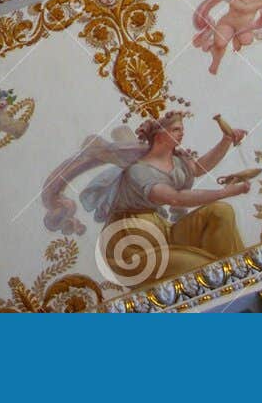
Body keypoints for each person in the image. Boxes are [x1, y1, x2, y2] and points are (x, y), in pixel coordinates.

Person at [98, 110, 251, 282]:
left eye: (182, 130)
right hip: (133, 243)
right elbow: (174, 198)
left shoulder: (176, 162)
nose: (182, 133)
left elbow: (199, 168)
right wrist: (223, 193)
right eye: (176, 130)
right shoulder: (138, 170)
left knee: (221, 211)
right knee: (207, 267)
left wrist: (226, 140)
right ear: (160, 134)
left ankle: (235, 280)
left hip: (162, 232)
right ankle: (230, 280)